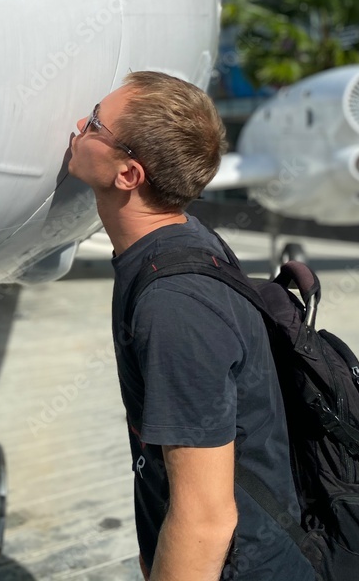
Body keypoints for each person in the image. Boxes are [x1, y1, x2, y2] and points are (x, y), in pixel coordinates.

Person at [66, 71, 314, 581]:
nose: (77, 125)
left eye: (93, 123)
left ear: (128, 174)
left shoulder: (175, 306)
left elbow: (205, 518)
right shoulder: (185, 240)